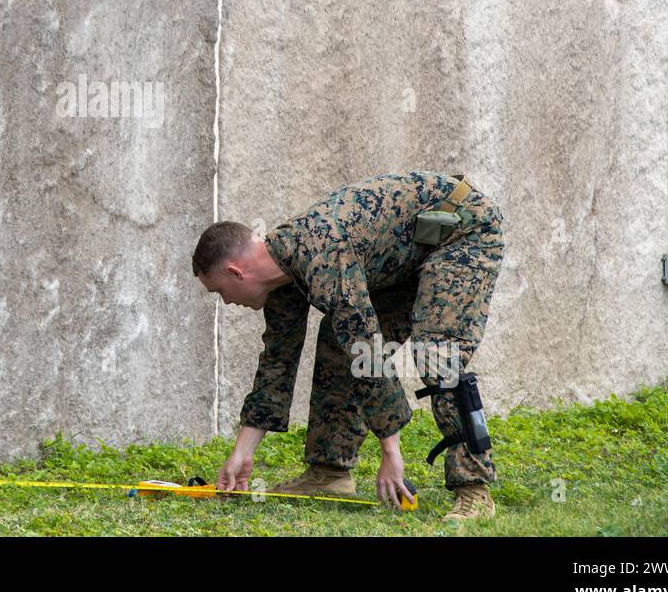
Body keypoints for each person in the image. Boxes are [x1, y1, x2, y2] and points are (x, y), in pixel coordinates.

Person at [192, 170, 504, 521]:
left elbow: (366, 348)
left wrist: (391, 452)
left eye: (219, 292)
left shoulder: (322, 253)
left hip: (461, 231)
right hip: (408, 251)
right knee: (338, 336)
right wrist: (241, 453)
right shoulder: (281, 273)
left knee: (437, 351)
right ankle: (330, 473)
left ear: (236, 272)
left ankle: (474, 490)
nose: (227, 302)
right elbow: (276, 364)